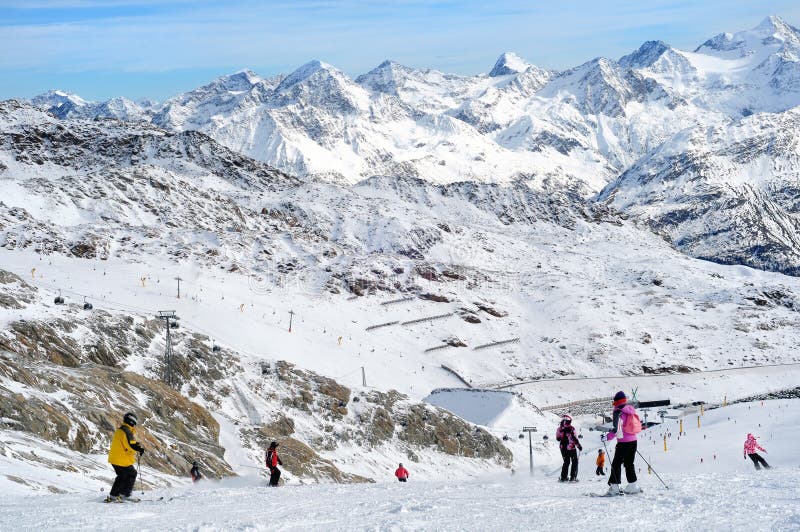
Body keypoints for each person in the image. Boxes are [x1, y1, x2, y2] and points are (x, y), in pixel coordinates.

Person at [604, 391, 642, 495]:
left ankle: (615, 487)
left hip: (623, 443)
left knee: (616, 464)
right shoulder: (630, 409)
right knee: (629, 463)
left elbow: (616, 430)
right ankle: (632, 486)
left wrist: (606, 437)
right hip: (633, 441)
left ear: (616, 401)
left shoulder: (618, 411)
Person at [106, 412, 145, 502]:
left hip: (115, 458)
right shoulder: (127, 431)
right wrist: (139, 449)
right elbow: (130, 445)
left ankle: (114, 495)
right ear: (132, 421)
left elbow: (126, 443)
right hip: (121, 460)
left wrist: (136, 445)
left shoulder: (121, 430)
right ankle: (125, 495)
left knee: (122, 475)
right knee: (132, 474)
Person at [555, 414, 582, 482]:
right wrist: (578, 446)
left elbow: (558, 438)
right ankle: (573, 477)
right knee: (574, 462)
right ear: (569, 420)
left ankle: (563, 477)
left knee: (566, 462)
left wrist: (562, 436)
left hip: (563, 448)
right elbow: (574, 438)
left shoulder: (559, 429)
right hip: (571, 448)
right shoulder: (571, 428)